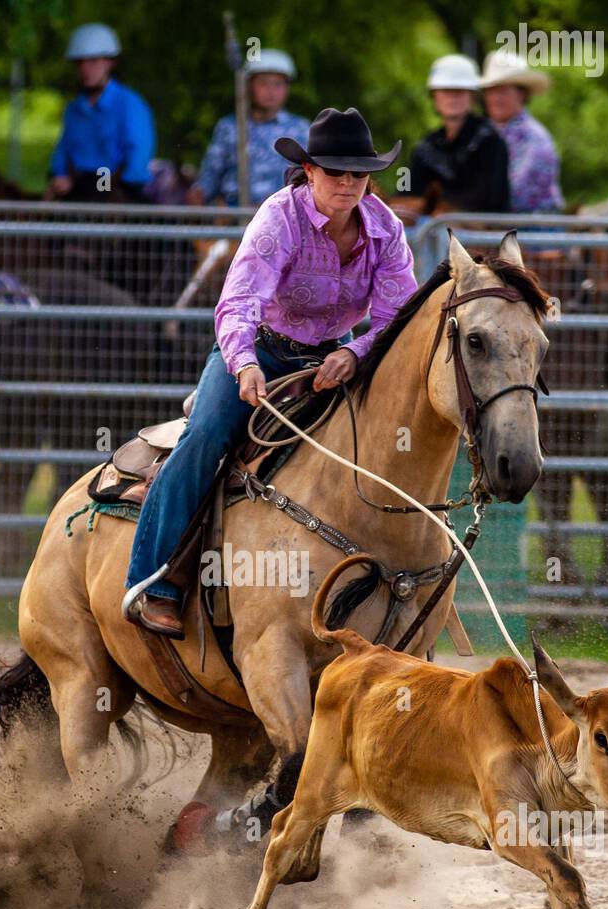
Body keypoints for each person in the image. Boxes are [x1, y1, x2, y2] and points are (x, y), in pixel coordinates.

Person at [124, 107, 418, 638]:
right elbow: (238, 303)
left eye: (358, 173)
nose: (348, 183)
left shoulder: (386, 230)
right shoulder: (279, 218)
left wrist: (357, 353)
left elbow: (399, 315)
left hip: (338, 358)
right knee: (207, 435)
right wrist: (244, 364)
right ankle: (155, 583)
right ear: (309, 171)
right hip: (264, 349)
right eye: (335, 172)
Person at [47, 23, 155, 202]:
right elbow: (63, 149)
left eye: (93, 61)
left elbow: (139, 152)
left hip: (116, 186)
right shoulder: (74, 109)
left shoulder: (130, 104)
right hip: (80, 188)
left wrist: (116, 186)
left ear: (110, 62)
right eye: (80, 62)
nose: (85, 69)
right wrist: (58, 176)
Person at [188, 48, 310, 207]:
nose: (270, 91)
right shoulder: (229, 127)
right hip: (232, 216)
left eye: (278, 84)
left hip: (284, 215)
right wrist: (199, 196)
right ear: (248, 86)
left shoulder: (301, 129)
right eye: (263, 83)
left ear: (287, 88)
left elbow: (310, 179)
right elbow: (211, 173)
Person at [409, 55, 509, 214]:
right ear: (434, 96)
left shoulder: (490, 141)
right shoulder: (426, 147)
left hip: (480, 233)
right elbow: (408, 191)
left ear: (473, 97)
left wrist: (436, 205)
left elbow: (489, 199)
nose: (452, 98)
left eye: (460, 91)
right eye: (446, 91)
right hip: (432, 232)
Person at [478, 49, 563, 214]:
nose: (495, 99)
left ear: (522, 95)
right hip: (493, 224)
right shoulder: (482, 133)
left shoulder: (534, 138)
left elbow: (519, 193)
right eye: (491, 91)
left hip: (531, 229)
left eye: (503, 91)